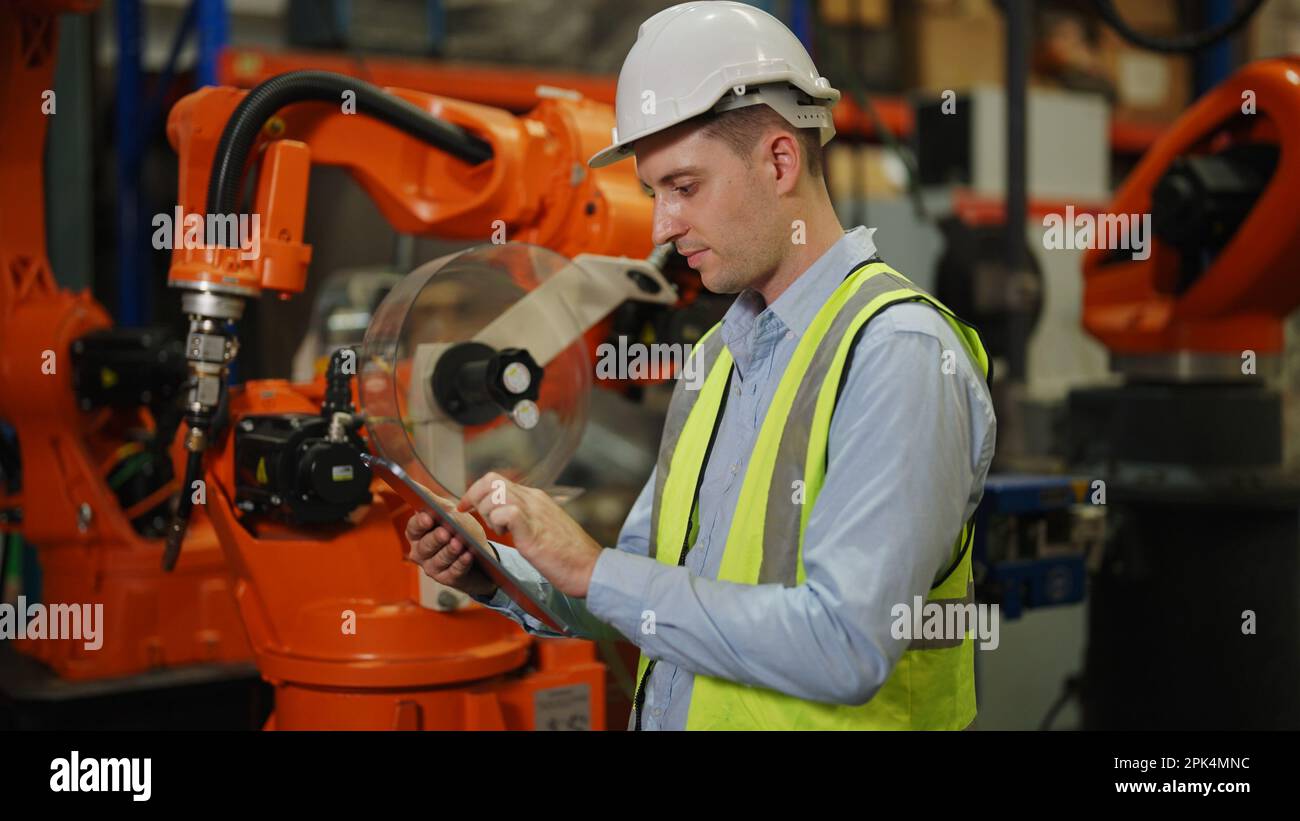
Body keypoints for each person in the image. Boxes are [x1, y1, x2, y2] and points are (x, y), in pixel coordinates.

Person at [405, 1, 996, 730]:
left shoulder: (897, 353)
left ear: (780, 160)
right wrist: (502, 572)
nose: (661, 225)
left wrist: (594, 566)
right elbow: (640, 597)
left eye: (684, 187)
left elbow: (847, 645)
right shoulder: (717, 360)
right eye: (655, 194)